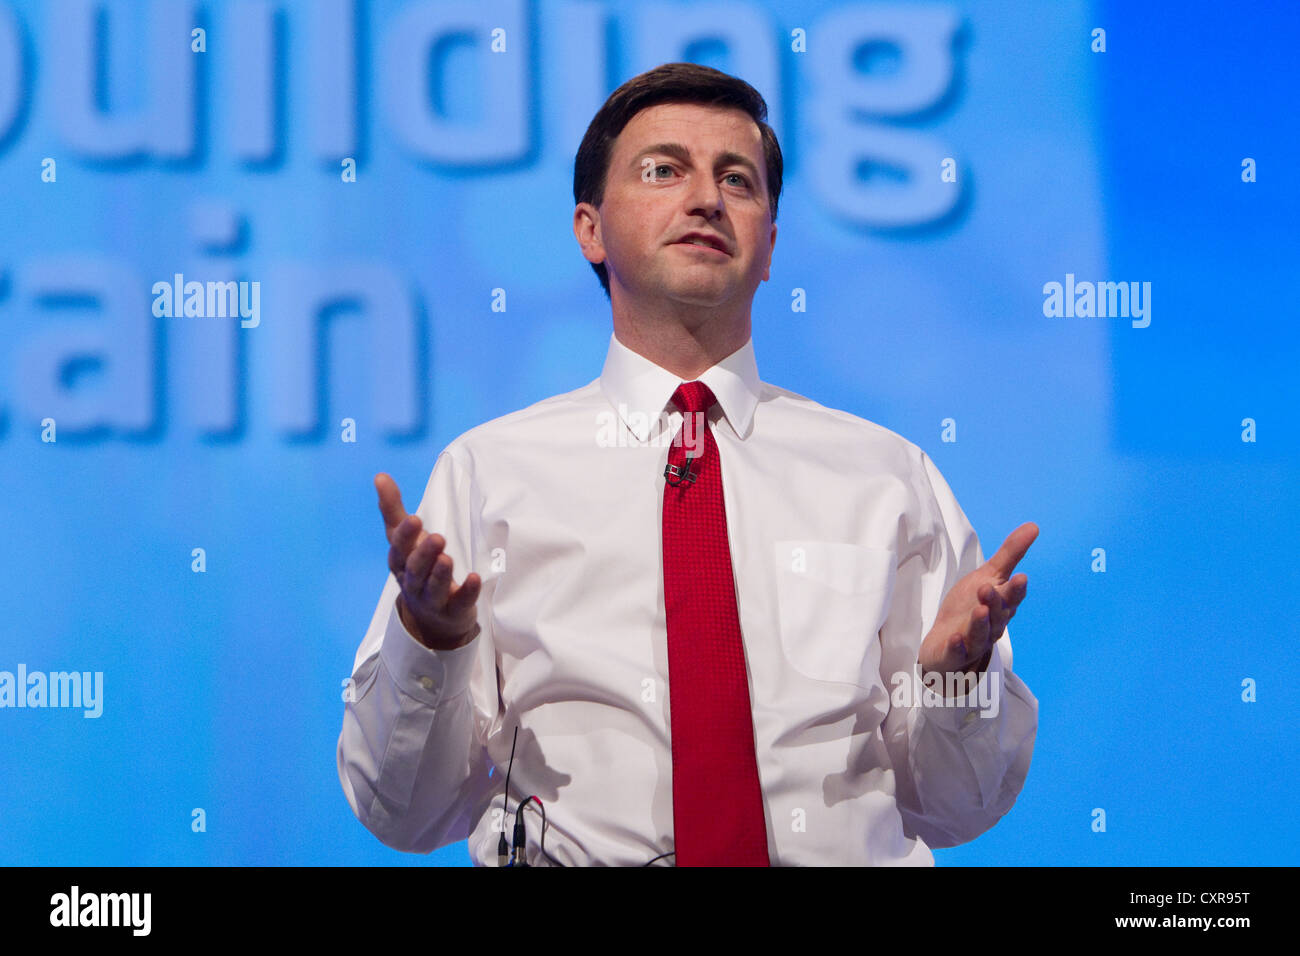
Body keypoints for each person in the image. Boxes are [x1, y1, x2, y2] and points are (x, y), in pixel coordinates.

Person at [337, 62, 1039, 866]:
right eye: (663, 169)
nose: (706, 197)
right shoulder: (490, 472)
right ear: (590, 229)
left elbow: (959, 809)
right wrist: (429, 640)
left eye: (736, 180)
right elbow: (404, 815)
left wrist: (959, 680)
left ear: (770, 245)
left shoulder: (887, 477)